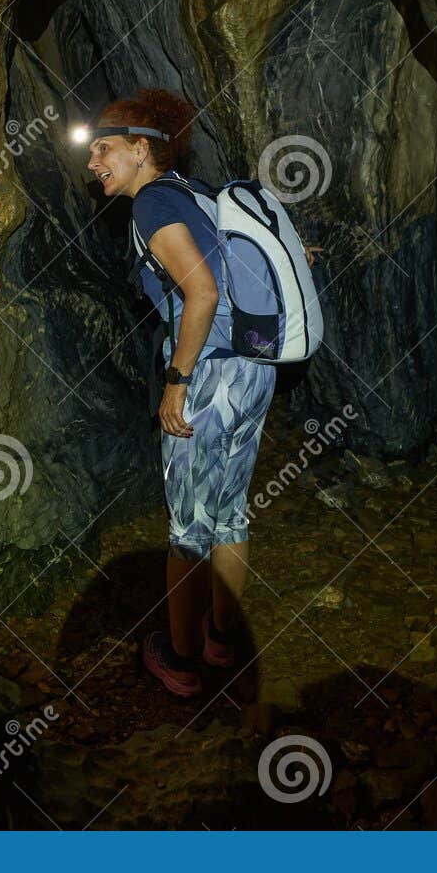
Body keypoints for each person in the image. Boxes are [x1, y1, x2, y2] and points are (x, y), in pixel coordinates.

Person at [85, 88, 277, 698]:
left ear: (142, 150)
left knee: (188, 527)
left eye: (104, 149)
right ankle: (222, 638)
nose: (93, 164)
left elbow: (203, 293)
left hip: (209, 372)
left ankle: (182, 657)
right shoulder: (200, 193)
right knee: (228, 512)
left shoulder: (153, 204)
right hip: (254, 366)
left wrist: (179, 380)